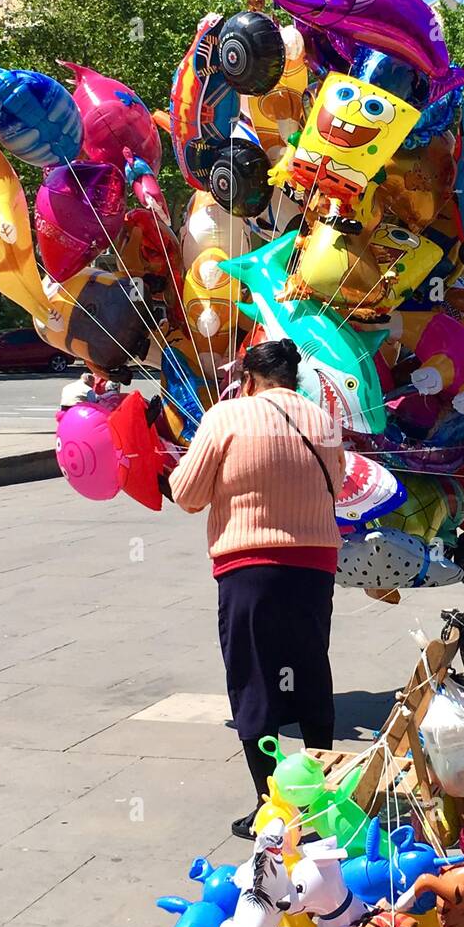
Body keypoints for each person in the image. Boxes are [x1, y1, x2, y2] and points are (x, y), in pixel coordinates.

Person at [167, 338, 346, 839]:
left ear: (249, 379)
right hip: (315, 564)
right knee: (311, 669)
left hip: (249, 565)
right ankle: (323, 795)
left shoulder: (226, 417)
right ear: (294, 379)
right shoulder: (323, 422)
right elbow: (339, 478)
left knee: (253, 680)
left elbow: (187, 494)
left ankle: (272, 806)